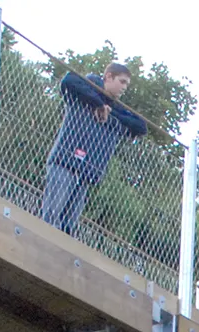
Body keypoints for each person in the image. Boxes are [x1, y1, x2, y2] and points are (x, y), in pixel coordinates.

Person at [42, 64, 149, 236]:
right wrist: (98, 104)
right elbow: (69, 80)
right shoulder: (86, 86)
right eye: (122, 81)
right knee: (51, 216)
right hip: (65, 161)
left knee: (68, 226)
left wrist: (110, 111)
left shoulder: (117, 108)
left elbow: (141, 127)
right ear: (108, 77)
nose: (124, 87)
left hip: (86, 172)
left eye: (126, 84)